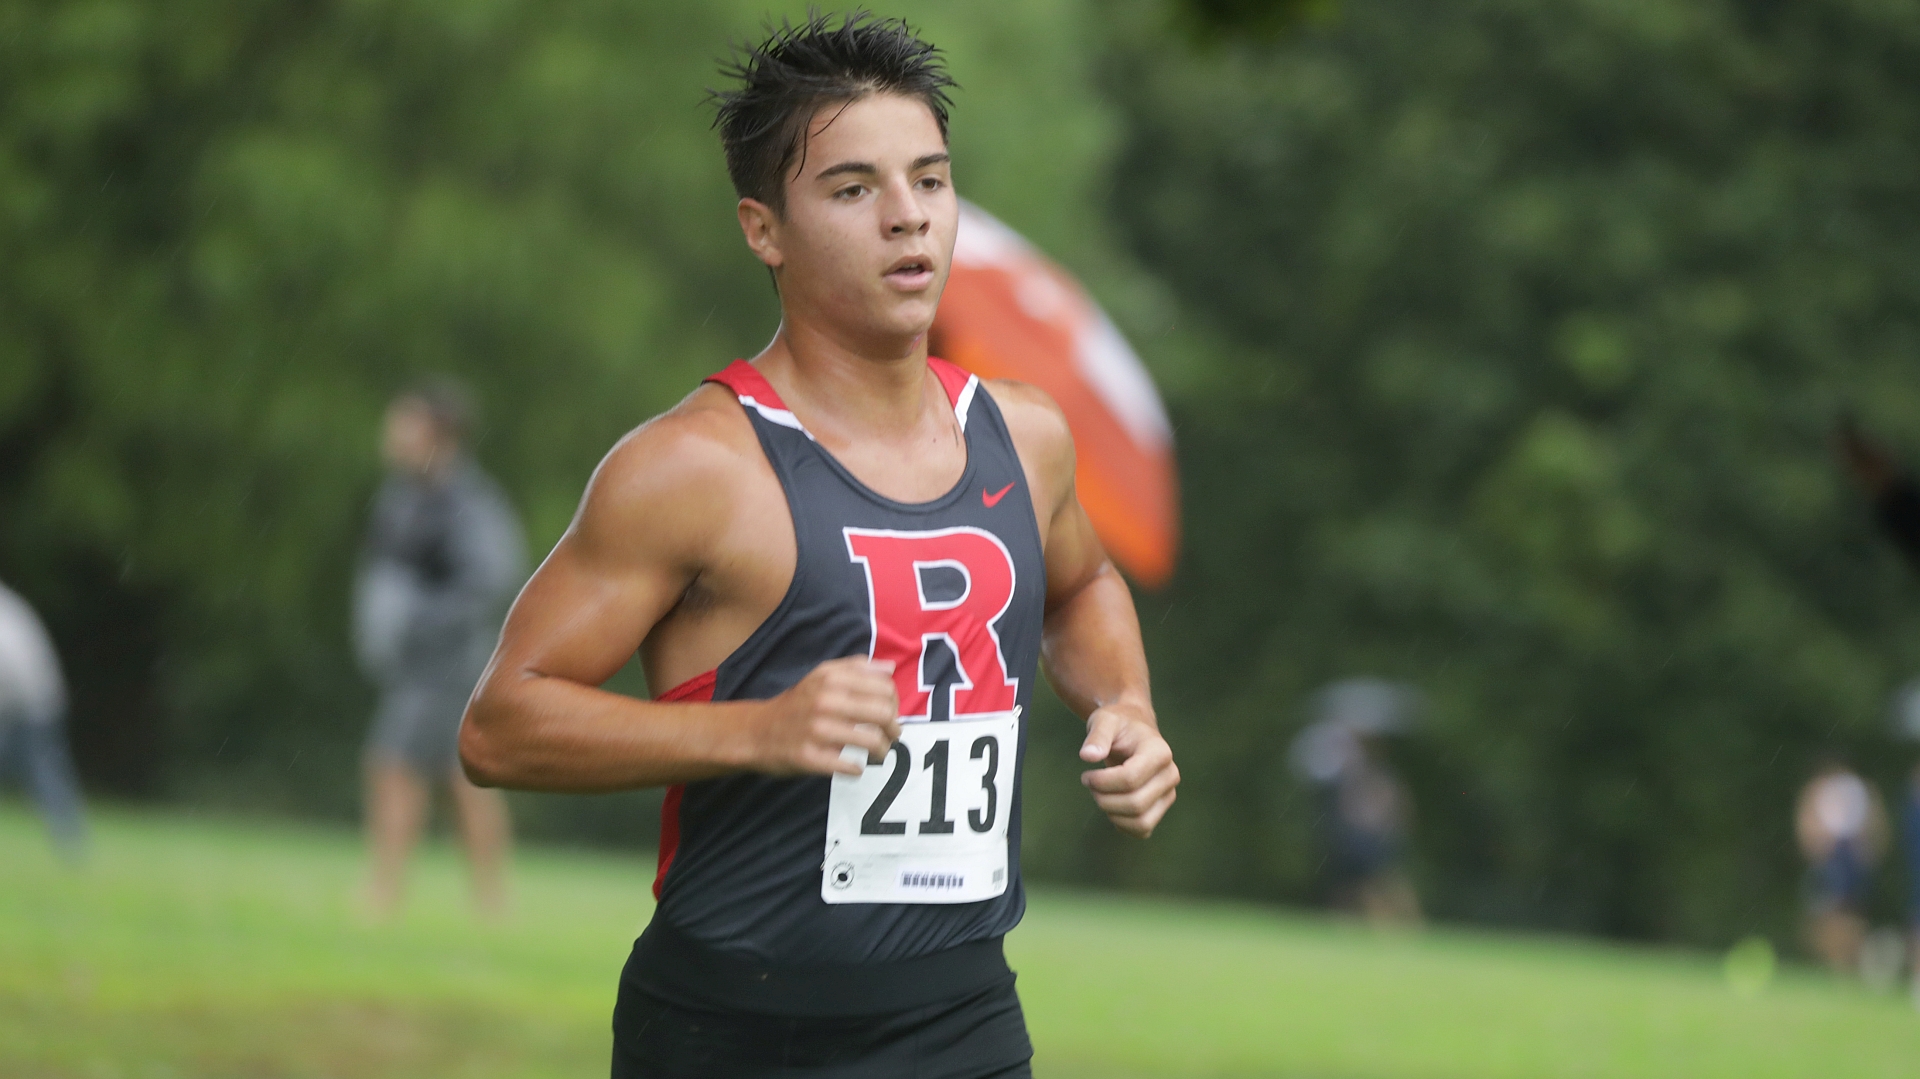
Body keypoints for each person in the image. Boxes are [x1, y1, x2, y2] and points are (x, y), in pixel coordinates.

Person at [459, 14, 1180, 1078]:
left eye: (930, 181)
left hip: (964, 1016)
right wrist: (757, 730)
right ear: (765, 230)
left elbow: (1082, 586)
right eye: (852, 189)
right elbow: (500, 726)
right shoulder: (694, 467)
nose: (907, 217)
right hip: (733, 1028)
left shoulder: (1026, 436)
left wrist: (1127, 707)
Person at [356, 379, 526, 919]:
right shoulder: (404, 497)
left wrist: (420, 620)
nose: (393, 435)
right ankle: (491, 901)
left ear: (439, 434)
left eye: (406, 424)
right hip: (418, 663)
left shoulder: (468, 503)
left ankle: (385, 893)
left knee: (395, 765)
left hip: (451, 662)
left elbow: (491, 578)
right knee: (462, 776)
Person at [1290, 678, 1421, 926]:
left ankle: (1397, 927)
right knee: (1350, 882)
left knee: (1377, 881)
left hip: (1369, 834)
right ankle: (1353, 926)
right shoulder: (1343, 756)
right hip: (1351, 832)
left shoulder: (1375, 771)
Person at [0, 580, 87, 860]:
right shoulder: (10, 606)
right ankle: (71, 841)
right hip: (32, 702)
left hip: (32, 707)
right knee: (47, 772)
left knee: (45, 773)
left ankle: (70, 842)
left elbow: (13, 675)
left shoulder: (4, 614)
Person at [1795, 758, 1887, 974]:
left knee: (1847, 913)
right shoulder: (1824, 788)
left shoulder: (1859, 789)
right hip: (1831, 858)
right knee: (1827, 913)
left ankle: (1844, 963)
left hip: (1848, 857)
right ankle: (1834, 961)